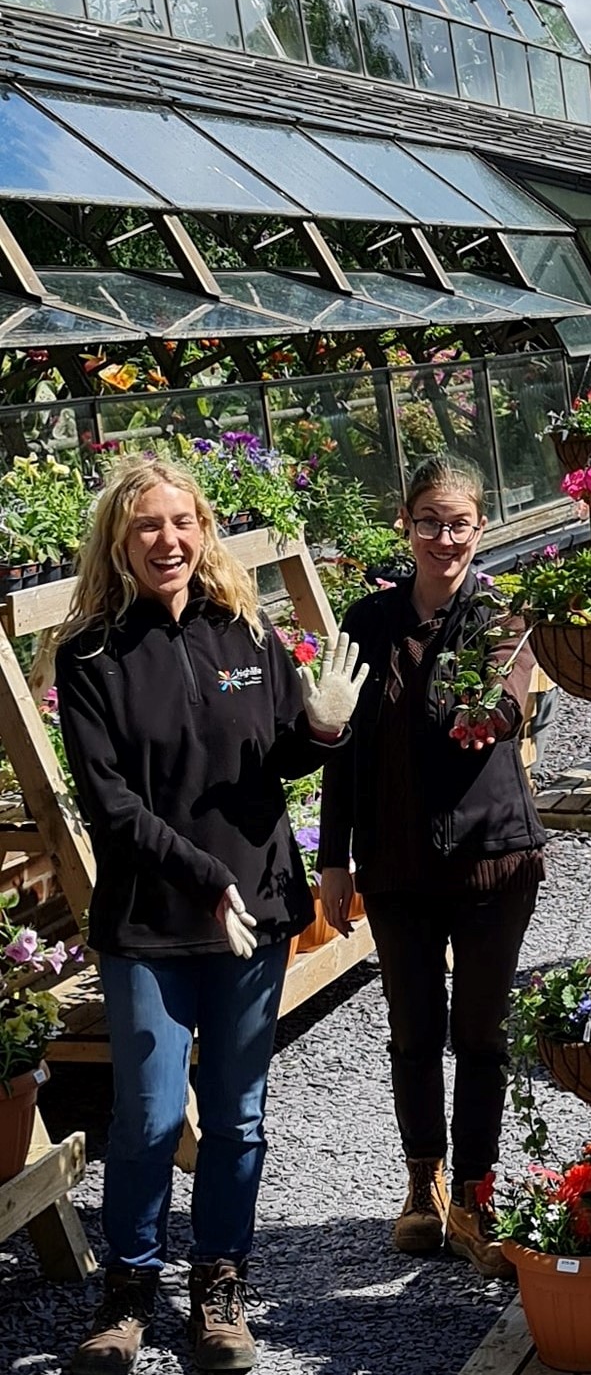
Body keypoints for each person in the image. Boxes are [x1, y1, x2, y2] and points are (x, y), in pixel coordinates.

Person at [52, 456, 365, 1375]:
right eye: (148, 525)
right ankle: (128, 1293)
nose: (168, 541)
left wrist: (322, 729)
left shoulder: (249, 639)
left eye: (182, 522)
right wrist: (203, 876)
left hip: (254, 915)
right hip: (152, 920)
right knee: (148, 1120)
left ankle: (220, 1283)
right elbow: (111, 809)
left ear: (205, 532)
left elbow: (273, 767)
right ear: (119, 537)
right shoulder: (92, 657)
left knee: (237, 1119)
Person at [316, 454, 546, 1277]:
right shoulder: (368, 622)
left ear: (480, 528)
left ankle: (477, 1194)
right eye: (427, 521)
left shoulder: (500, 616)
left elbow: (513, 693)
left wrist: (498, 712)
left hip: (492, 860)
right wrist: (333, 859)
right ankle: (424, 1184)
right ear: (405, 526)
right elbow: (339, 745)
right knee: (413, 1029)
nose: (442, 537)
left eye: (458, 523)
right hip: (397, 864)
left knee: (480, 1033)